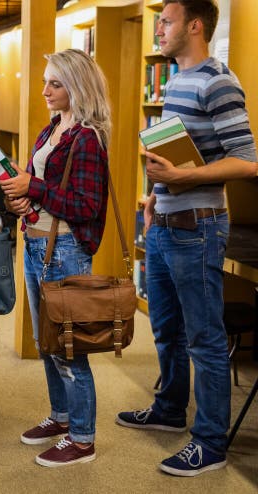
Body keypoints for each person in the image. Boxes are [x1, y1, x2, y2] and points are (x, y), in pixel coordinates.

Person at [115, 0, 257, 477]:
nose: (158, 27)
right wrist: (156, 193)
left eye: (166, 20)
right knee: (167, 329)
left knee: (204, 338)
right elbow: (178, 153)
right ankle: (170, 407)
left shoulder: (219, 82)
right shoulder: (176, 79)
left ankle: (210, 442)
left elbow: (246, 160)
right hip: (165, 220)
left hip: (199, 228)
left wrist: (183, 178)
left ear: (195, 26)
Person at [0, 48, 111, 468]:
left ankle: (82, 438)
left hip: (65, 251)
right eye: (46, 81)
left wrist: (35, 187)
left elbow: (85, 205)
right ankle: (62, 417)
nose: (44, 90)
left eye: (55, 83)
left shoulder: (87, 139)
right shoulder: (51, 130)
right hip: (35, 241)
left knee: (69, 348)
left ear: (77, 87)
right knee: (46, 343)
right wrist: (21, 198)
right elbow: (42, 190)